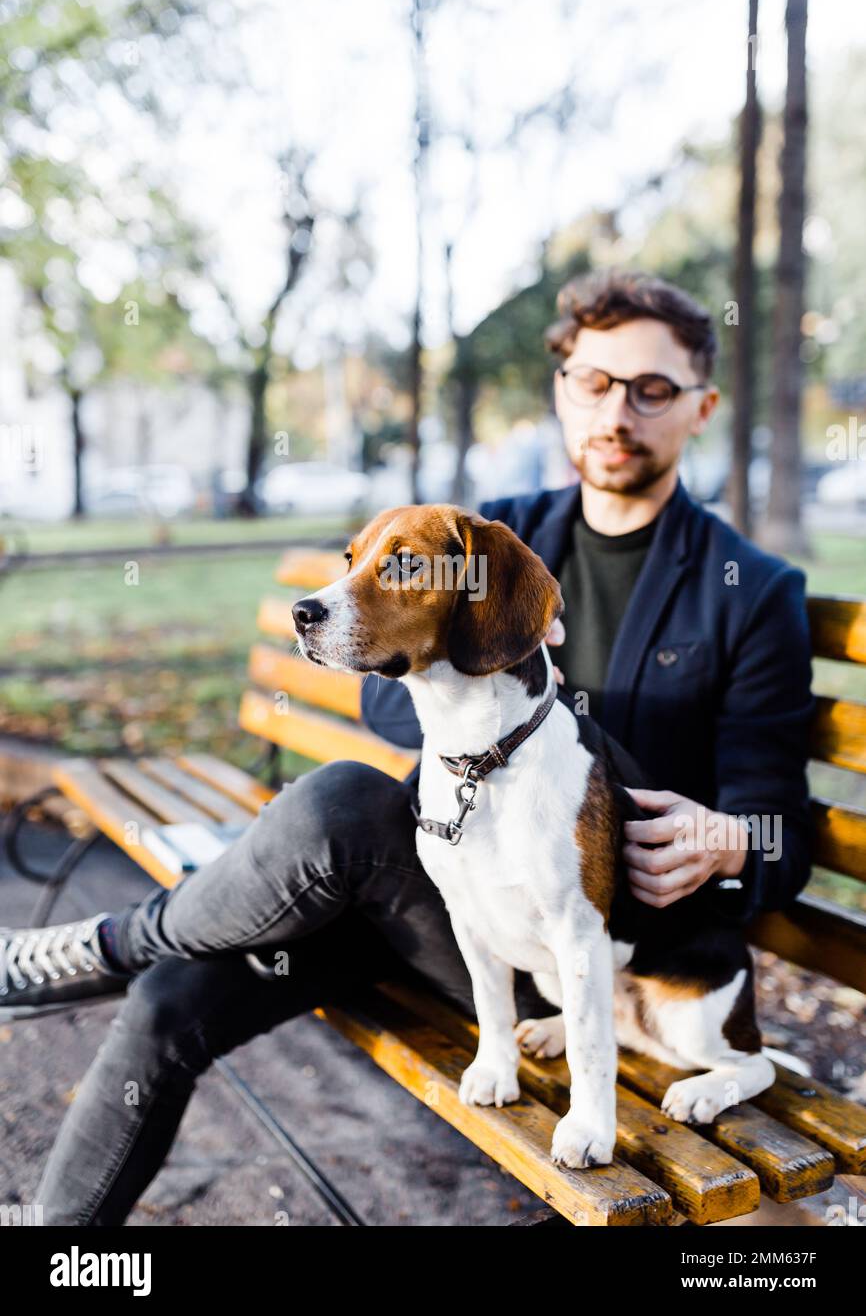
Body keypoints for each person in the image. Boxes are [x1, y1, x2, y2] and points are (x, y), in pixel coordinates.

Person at [0, 269, 813, 1225]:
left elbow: (779, 829)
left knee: (342, 802)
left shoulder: (748, 590)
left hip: (591, 933)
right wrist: (458, 680)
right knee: (173, 1000)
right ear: (562, 387)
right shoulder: (494, 532)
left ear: (702, 405)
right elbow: (393, 704)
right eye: (594, 381)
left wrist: (729, 838)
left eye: (653, 389)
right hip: (438, 892)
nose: (618, 411)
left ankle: (111, 942)